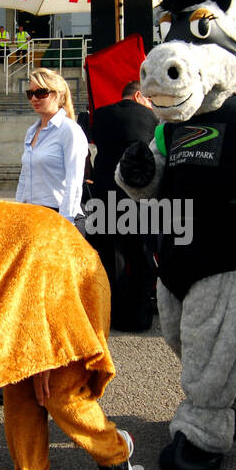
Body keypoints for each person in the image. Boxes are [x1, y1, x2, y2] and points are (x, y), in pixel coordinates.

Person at [85, 79, 159, 331]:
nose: (151, 104)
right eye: (148, 99)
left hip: (104, 192)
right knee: (140, 255)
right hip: (137, 195)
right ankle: (138, 317)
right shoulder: (152, 118)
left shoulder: (102, 115)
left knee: (109, 257)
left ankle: (109, 314)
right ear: (139, 95)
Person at [15, 68, 88, 224]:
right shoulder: (31, 132)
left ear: (57, 95)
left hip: (58, 216)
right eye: (30, 94)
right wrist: (17, 213)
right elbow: (24, 177)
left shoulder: (70, 130)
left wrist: (65, 222)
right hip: (32, 216)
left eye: (41, 93)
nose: (34, 98)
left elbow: (74, 181)